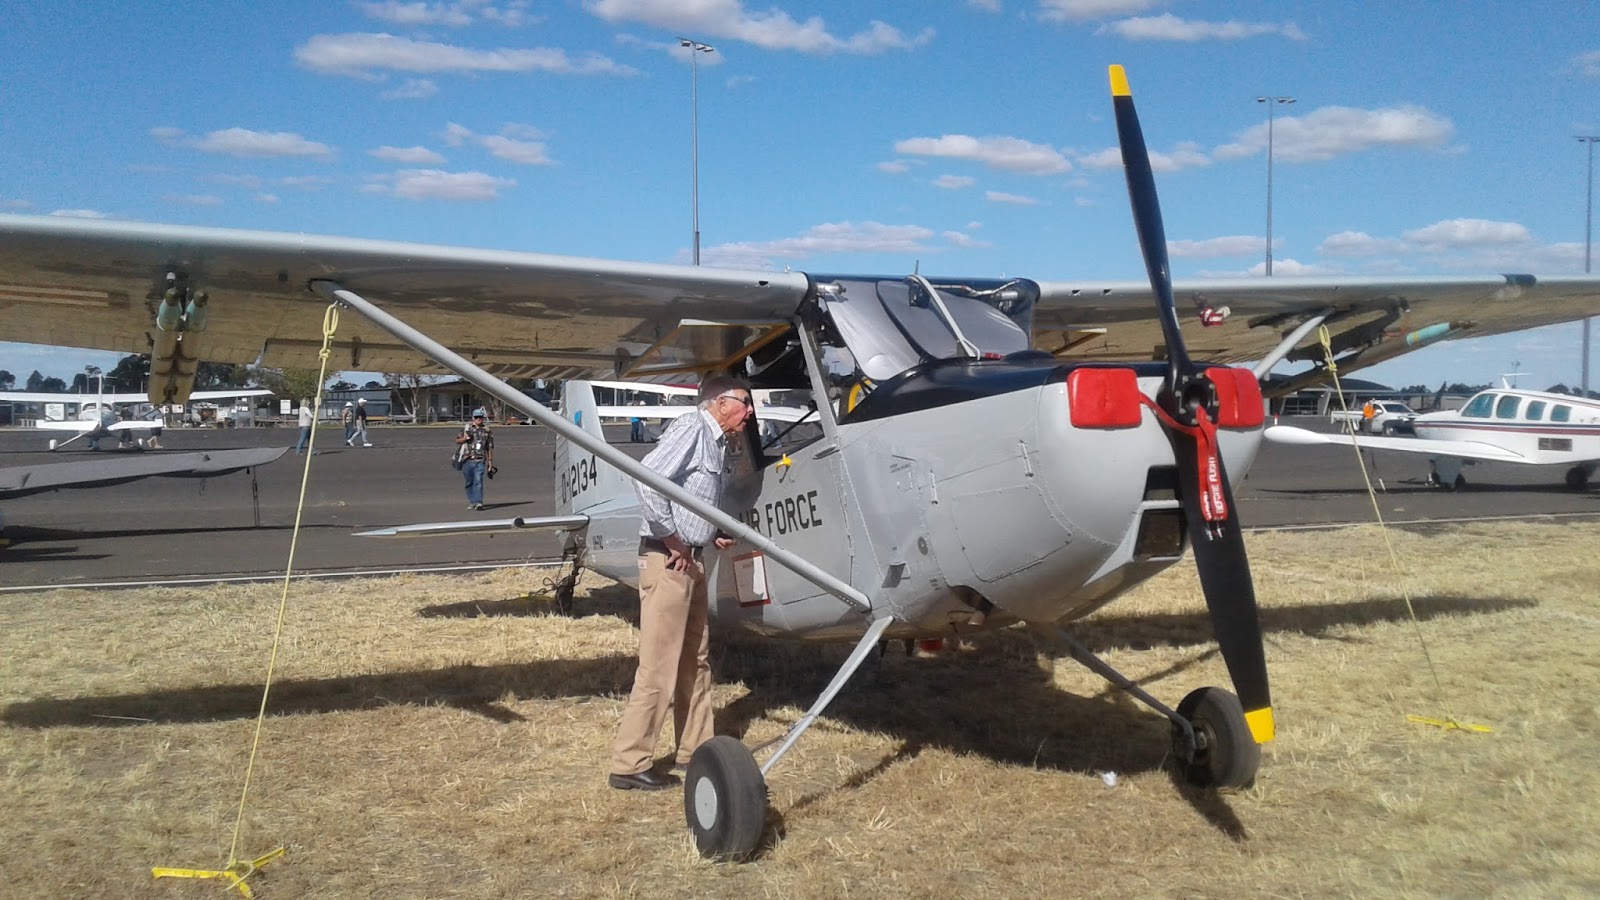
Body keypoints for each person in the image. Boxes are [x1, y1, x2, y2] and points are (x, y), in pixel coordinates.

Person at [609, 374, 753, 791]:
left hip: (692, 558)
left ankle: (696, 749)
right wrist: (673, 538)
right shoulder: (692, 427)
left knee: (696, 660)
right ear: (720, 403)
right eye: (744, 402)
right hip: (668, 558)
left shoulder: (718, 442)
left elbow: (691, 497)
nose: (749, 412)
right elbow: (647, 478)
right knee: (660, 663)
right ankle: (630, 763)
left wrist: (710, 531)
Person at [454, 408, 495, 510]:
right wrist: (464, 439)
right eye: (476, 417)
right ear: (473, 418)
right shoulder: (467, 429)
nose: (478, 419)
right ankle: (472, 501)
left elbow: (489, 447)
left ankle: (478, 502)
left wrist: (490, 461)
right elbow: (457, 441)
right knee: (469, 482)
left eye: (480, 417)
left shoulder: (487, 431)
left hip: (480, 460)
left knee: (478, 481)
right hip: (467, 460)